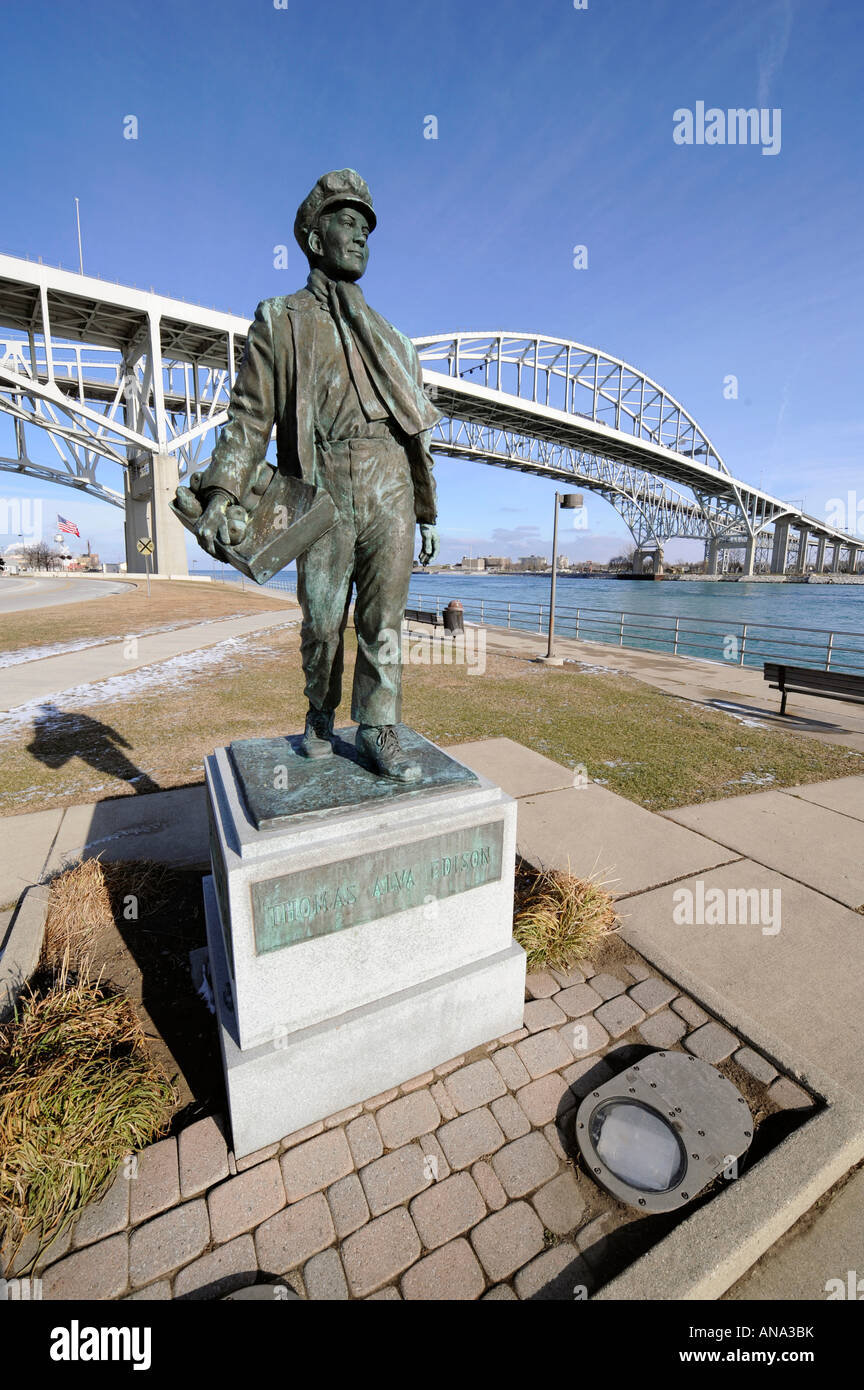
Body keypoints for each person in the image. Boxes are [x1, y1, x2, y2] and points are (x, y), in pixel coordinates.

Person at [186, 170, 440, 781]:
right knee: (323, 622)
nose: (360, 238)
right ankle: (319, 712)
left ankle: (380, 725)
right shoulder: (281, 318)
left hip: (390, 485)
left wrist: (426, 512)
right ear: (313, 236)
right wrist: (221, 492)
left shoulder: (397, 343)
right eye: (347, 224)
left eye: (366, 229)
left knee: (384, 619)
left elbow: (414, 430)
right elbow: (250, 418)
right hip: (324, 482)